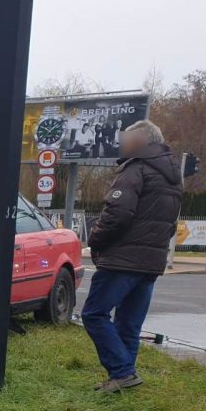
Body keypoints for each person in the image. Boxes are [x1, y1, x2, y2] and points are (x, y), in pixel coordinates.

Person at [81, 120, 183, 393]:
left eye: (125, 139)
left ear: (140, 142)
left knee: (94, 314)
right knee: (129, 323)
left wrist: (95, 239)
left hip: (122, 259)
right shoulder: (171, 176)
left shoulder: (136, 169)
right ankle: (124, 378)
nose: (121, 143)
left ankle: (122, 372)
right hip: (150, 263)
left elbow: (117, 213)